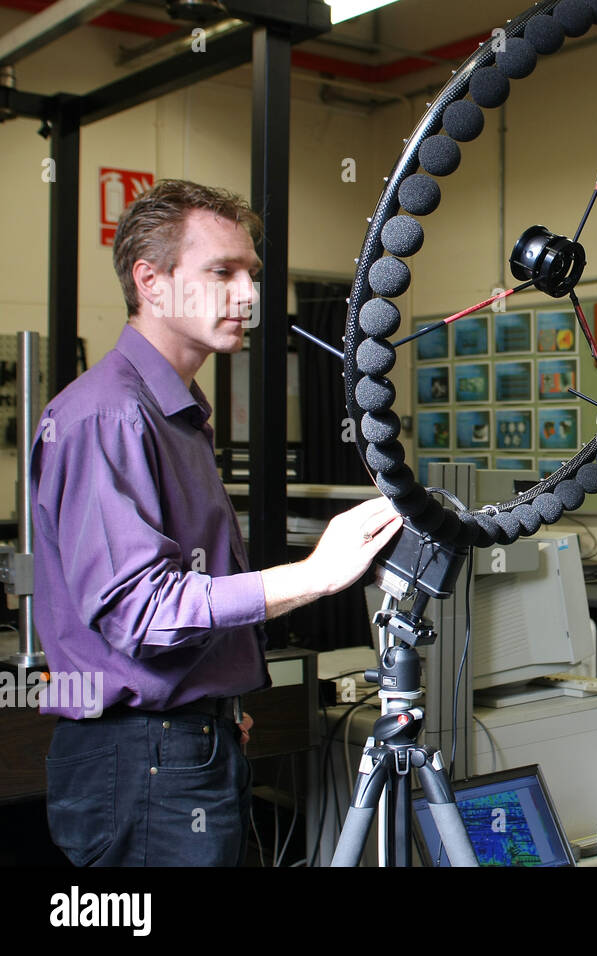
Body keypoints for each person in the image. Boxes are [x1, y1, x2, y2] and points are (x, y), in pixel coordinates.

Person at [32, 179, 402, 866]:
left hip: (184, 745)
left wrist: (213, 702)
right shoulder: (109, 415)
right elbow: (139, 610)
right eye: (221, 272)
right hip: (141, 756)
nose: (249, 295)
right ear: (152, 281)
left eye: (252, 275)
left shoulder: (176, 413)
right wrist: (313, 577)